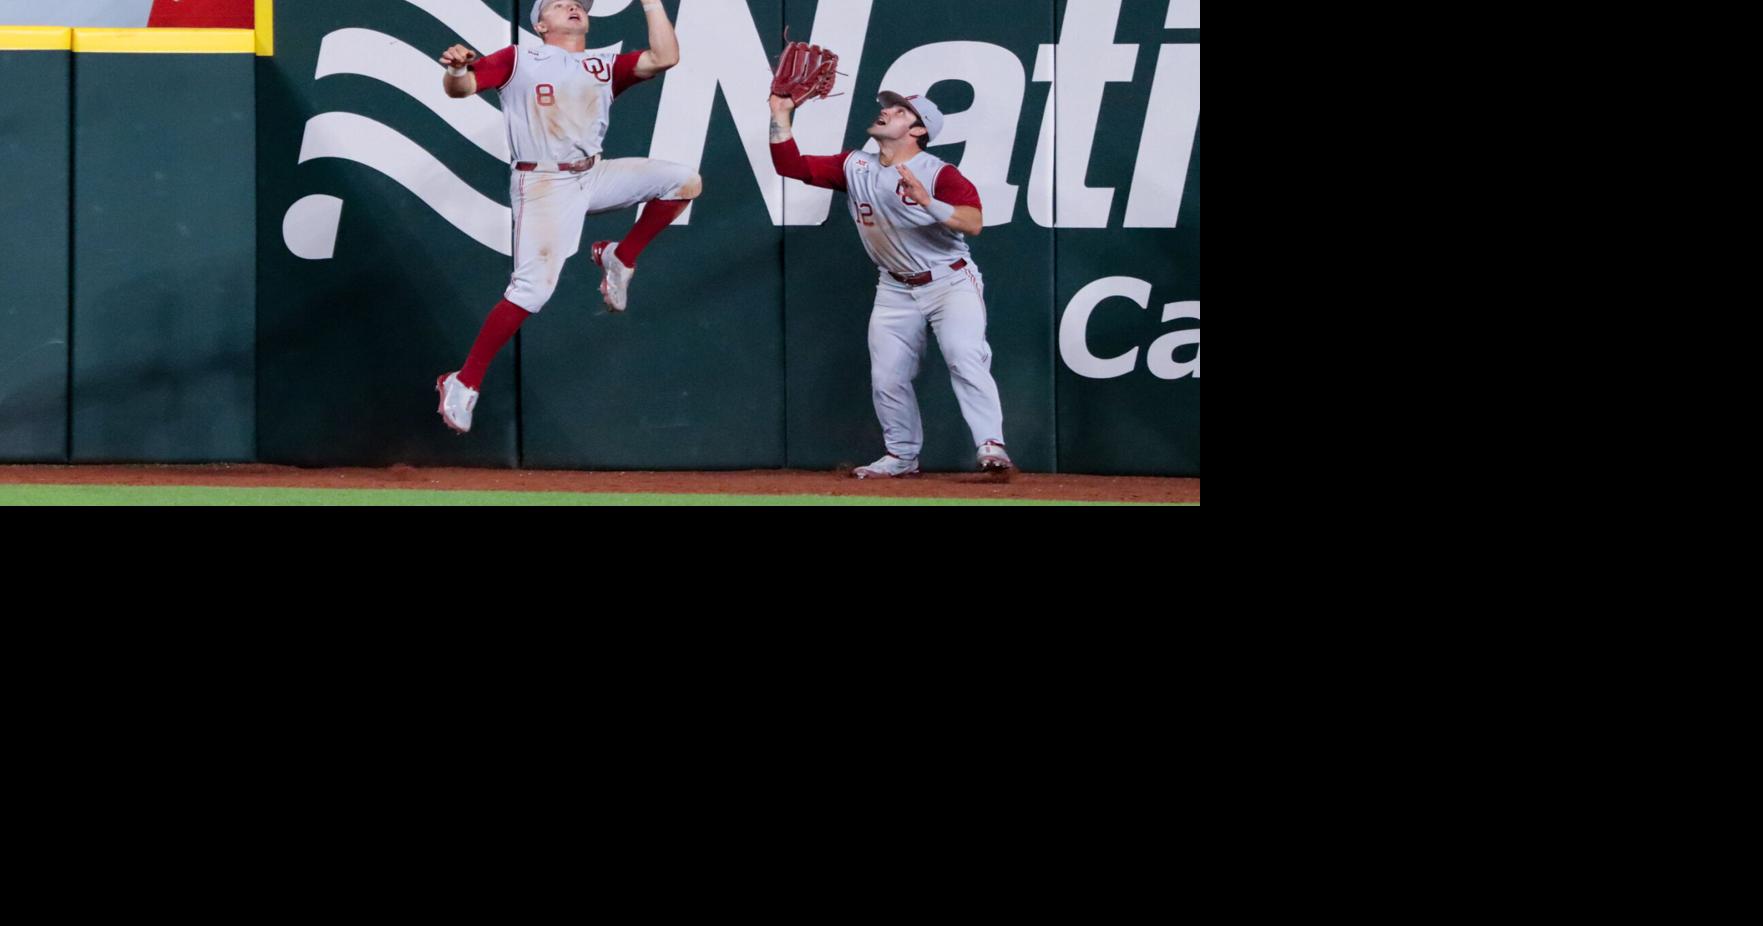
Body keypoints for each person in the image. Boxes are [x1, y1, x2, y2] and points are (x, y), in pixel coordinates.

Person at [435, 0, 699, 434]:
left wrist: (651, 3)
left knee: (684, 181)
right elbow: (460, 90)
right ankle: (463, 382)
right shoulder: (519, 57)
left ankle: (621, 256)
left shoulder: (602, 65)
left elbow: (665, 57)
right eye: (559, 4)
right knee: (531, 291)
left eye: (578, 3)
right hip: (543, 183)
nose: (572, 6)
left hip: (591, 173)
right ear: (540, 24)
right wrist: (459, 70)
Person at [768, 89, 1011, 477]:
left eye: (900, 111)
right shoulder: (855, 165)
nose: (886, 112)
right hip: (895, 286)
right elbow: (791, 165)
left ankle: (991, 445)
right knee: (888, 374)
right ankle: (900, 456)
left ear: (917, 129)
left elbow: (973, 222)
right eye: (888, 108)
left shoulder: (938, 173)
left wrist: (928, 201)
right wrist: (780, 114)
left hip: (949, 281)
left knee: (964, 354)